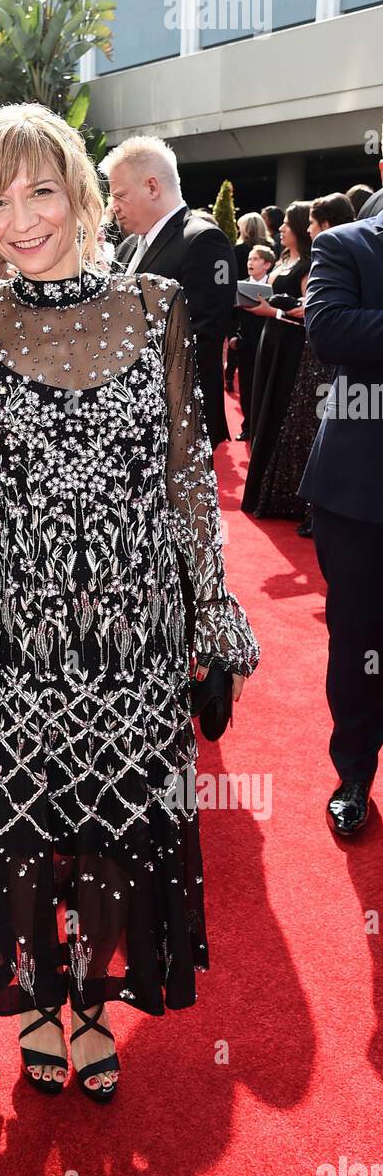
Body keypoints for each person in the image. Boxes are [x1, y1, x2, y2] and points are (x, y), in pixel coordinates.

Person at [0, 104, 258, 1100]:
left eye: (41, 189)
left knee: (117, 816)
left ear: (84, 194)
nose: (22, 217)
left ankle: (89, 1003)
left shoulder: (159, 307)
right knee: (34, 818)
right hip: (30, 621)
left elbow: (185, 475)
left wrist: (208, 603)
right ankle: (37, 998)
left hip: (137, 619)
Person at [299, 207, 383, 835]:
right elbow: (329, 331)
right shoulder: (345, 245)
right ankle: (353, 773)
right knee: (359, 639)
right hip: (361, 491)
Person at [102, 136, 236, 449]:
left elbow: (202, 337)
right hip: (129, 414)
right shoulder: (129, 245)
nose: (113, 206)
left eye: (120, 195)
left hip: (177, 419)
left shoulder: (203, 241)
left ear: (152, 186)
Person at [240, 200, 311, 516]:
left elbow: (306, 312)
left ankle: (279, 491)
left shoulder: (307, 265)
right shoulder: (283, 259)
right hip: (269, 340)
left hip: (289, 346)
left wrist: (276, 310)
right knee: (260, 406)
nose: (280, 228)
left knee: (278, 412)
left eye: (286, 225)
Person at [230, 241, 275, 441]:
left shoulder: (273, 285)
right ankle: (247, 426)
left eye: (255, 259)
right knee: (246, 387)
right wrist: (232, 337)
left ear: (267, 264)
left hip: (268, 343)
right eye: (249, 259)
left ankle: (261, 427)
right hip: (245, 344)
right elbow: (231, 316)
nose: (250, 262)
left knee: (265, 386)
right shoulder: (238, 285)